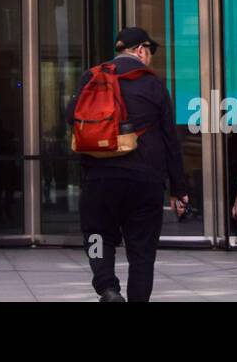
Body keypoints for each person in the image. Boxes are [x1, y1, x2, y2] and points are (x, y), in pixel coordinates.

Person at [67, 27, 189, 302]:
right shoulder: (153, 84)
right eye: (151, 52)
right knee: (142, 252)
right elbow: (171, 140)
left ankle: (107, 287)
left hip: (100, 176)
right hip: (145, 180)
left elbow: (70, 116)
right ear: (141, 50)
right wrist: (178, 188)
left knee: (97, 234)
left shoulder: (93, 76)